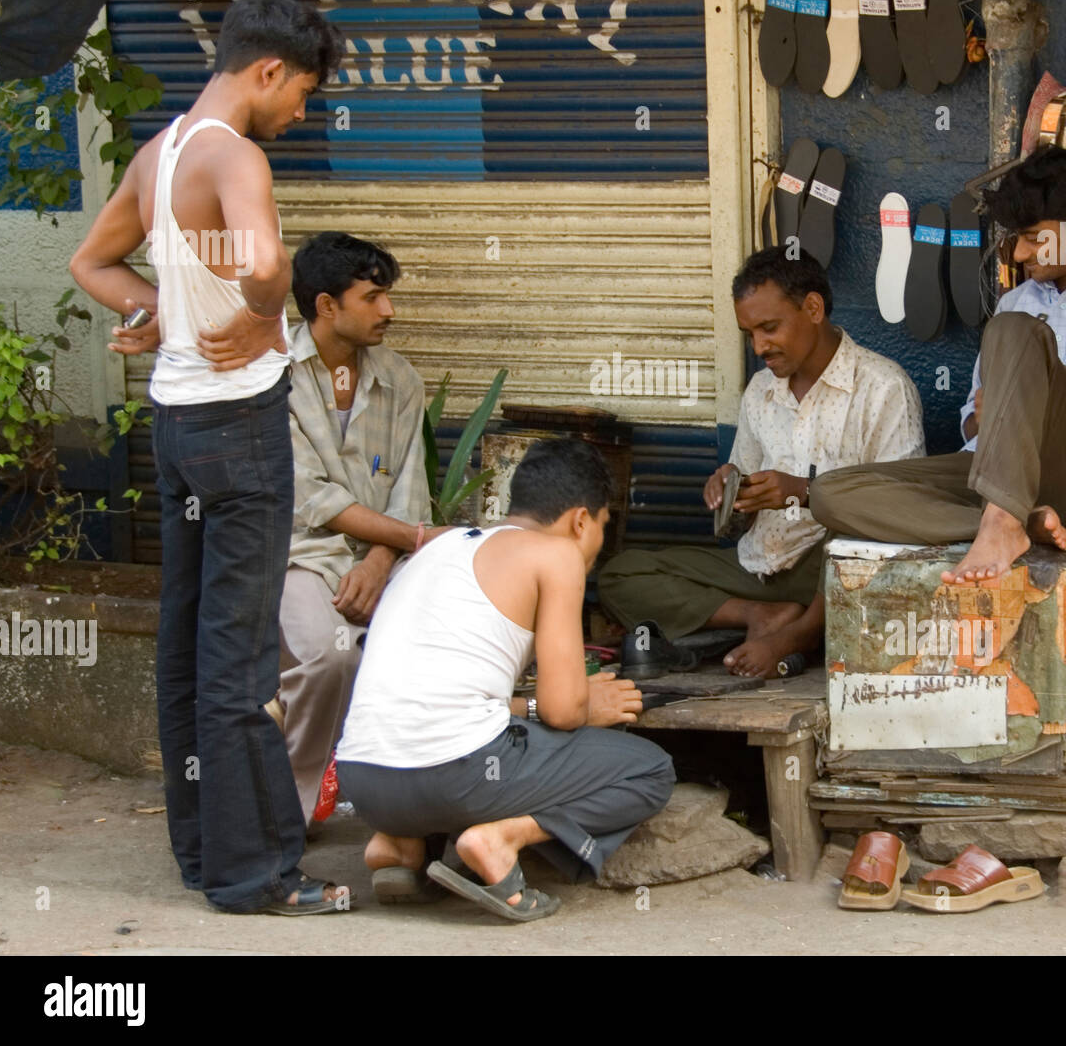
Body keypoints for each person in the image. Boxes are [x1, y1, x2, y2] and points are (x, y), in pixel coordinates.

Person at [70, 0, 349, 914]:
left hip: (177, 430)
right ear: (266, 70)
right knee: (242, 666)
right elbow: (268, 262)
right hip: (241, 432)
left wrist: (157, 315)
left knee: (187, 650)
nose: (301, 112)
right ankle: (255, 875)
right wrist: (268, 315)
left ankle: (200, 853)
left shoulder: (161, 152)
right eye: (303, 92)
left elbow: (92, 263)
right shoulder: (235, 154)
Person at [808, 147, 1066, 587]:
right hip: (991, 467)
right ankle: (1019, 522)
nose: (1018, 253)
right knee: (829, 494)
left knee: (1017, 328)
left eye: (1034, 237)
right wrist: (986, 414)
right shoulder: (1016, 301)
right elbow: (968, 426)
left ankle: (1002, 519)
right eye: (1017, 237)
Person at [335, 438, 675, 923]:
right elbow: (563, 711)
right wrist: (587, 706)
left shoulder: (441, 545)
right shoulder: (556, 555)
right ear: (581, 520)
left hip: (364, 781)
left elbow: (450, 694)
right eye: (602, 526)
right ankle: (499, 840)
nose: (598, 541)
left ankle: (400, 845)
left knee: (467, 746)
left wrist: (531, 708)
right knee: (649, 769)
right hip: (455, 775)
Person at [597, 246, 924, 679]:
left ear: (812, 308)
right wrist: (733, 493)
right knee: (619, 575)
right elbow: (741, 522)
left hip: (828, 572)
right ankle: (761, 615)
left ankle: (801, 632)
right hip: (758, 567)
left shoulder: (883, 388)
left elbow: (901, 516)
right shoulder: (760, 391)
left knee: (858, 528)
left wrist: (806, 493)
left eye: (769, 328)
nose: (759, 347)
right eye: (749, 333)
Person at [279, 232, 427, 828]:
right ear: (325, 306)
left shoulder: (400, 380)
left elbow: (410, 490)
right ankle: (292, 810)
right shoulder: (272, 380)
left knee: (431, 655)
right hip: (299, 557)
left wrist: (379, 561)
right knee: (328, 657)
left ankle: (412, 822)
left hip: (384, 558)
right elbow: (311, 496)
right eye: (372, 297)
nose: (388, 311)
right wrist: (404, 542)